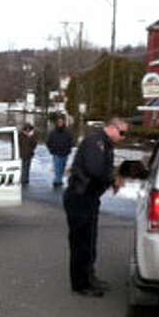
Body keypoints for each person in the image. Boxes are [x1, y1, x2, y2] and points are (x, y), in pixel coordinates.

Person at [62, 117, 128, 296]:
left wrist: (112, 179)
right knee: (81, 243)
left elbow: (103, 170)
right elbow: (95, 169)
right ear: (113, 128)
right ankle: (80, 284)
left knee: (90, 240)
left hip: (90, 197)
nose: (123, 137)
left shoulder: (106, 145)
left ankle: (90, 277)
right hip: (79, 197)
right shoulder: (95, 143)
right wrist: (112, 178)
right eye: (122, 133)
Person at [46, 114, 74, 187]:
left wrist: (69, 149)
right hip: (56, 152)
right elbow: (48, 142)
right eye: (59, 122)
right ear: (57, 123)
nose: (60, 123)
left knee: (62, 167)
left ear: (63, 123)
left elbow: (71, 142)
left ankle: (59, 179)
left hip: (65, 153)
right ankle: (57, 180)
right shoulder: (53, 132)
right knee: (57, 166)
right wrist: (51, 150)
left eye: (61, 122)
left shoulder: (68, 132)